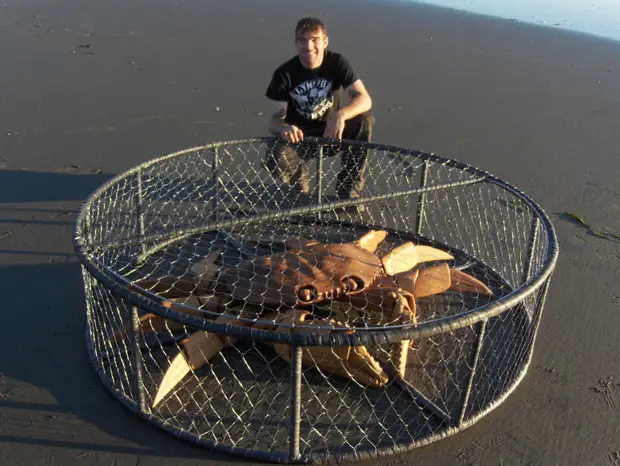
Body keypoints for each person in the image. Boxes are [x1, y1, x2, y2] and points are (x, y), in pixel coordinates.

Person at [263, 17, 375, 206]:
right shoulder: (284, 74)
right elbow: (274, 121)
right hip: (300, 138)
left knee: (364, 122)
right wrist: (284, 128)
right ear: (296, 42)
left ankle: (348, 192)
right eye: (303, 40)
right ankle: (299, 187)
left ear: (325, 41)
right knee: (276, 152)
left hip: (333, 133)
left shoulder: (337, 63)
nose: (309, 46)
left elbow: (364, 99)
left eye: (315, 39)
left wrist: (341, 115)